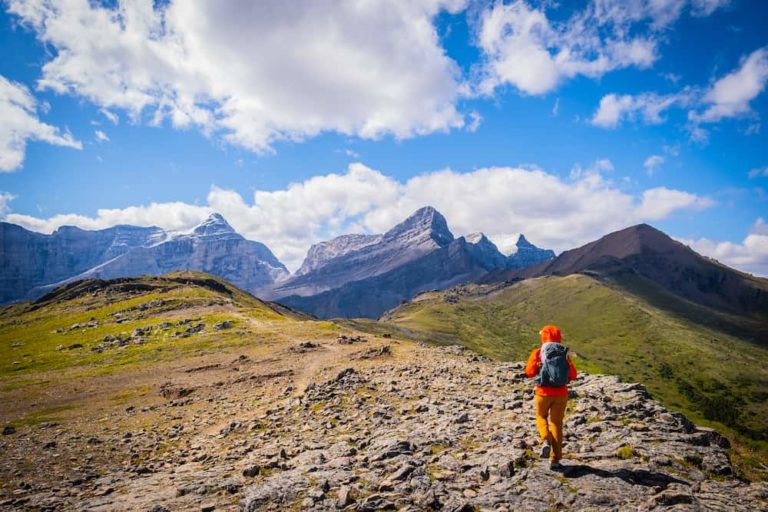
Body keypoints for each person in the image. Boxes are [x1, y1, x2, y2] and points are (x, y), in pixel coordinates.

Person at [525, 325, 577, 470]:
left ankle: (545, 441)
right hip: (561, 393)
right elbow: (573, 375)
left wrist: (538, 366)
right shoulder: (564, 353)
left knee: (541, 416)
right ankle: (555, 460)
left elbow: (529, 372)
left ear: (544, 336)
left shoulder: (538, 352)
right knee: (557, 424)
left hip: (543, 393)